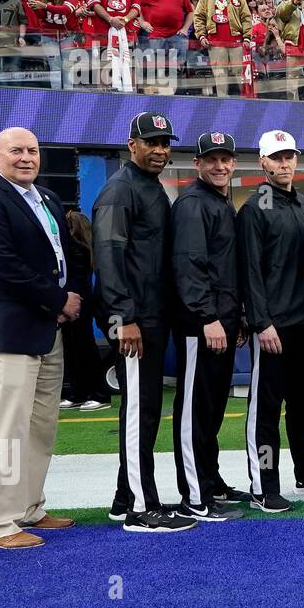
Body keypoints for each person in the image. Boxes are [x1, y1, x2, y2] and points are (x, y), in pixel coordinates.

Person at [0, 128, 82, 549]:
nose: (26, 157)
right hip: (3, 332)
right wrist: (59, 299)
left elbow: (62, 256)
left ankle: (28, 507)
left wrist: (68, 298)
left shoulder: (47, 198)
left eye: (32, 150)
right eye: (16, 151)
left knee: (40, 426)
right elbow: (1, 264)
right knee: (6, 431)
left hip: (46, 330)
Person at [94, 112, 194, 532]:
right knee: (139, 412)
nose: (160, 150)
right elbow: (109, 255)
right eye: (151, 142)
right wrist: (125, 318)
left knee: (148, 409)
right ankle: (139, 506)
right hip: (134, 320)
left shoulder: (148, 186)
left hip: (151, 316)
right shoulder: (119, 190)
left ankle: (125, 497)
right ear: (131, 143)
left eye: (165, 143)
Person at [238, 129, 304, 512]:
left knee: (303, 407)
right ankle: (264, 483)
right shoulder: (255, 207)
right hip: (274, 328)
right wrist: (260, 323)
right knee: (266, 412)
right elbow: (250, 271)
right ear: (262, 162)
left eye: (289, 156)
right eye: (276, 157)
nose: (284, 163)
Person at [171, 132, 247, 522]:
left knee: (213, 408)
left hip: (222, 322)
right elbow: (189, 266)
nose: (220, 166)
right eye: (211, 159)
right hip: (201, 325)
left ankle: (210, 481)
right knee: (195, 411)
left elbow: (225, 269)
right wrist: (208, 317)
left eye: (226, 159)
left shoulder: (218, 201)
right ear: (197, 163)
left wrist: (235, 319)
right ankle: (195, 497)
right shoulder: (192, 203)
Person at [59, 210, 110, 412]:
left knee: (83, 349)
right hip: (77, 303)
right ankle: (79, 393)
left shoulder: (77, 250)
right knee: (74, 349)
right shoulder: (83, 249)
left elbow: (75, 280)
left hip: (79, 304)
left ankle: (99, 393)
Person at [192, 0, 252, 98]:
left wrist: (247, 37)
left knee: (239, 74)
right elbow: (198, 17)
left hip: (236, 42)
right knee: (220, 75)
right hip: (215, 43)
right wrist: (201, 35)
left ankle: (245, 102)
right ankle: (222, 104)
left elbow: (246, 18)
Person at [86, 0, 141, 92]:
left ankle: (132, 98)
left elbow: (136, 7)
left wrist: (125, 19)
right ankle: (103, 102)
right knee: (104, 68)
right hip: (102, 33)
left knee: (130, 66)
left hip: (126, 33)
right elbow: (94, 4)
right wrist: (110, 19)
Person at [137, 0, 192, 74]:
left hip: (176, 35)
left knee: (177, 67)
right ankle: (157, 88)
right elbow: (136, 7)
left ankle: (177, 89)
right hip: (155, 34)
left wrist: (185, 28)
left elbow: (190, 12)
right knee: (156, 67)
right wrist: (142, 22)